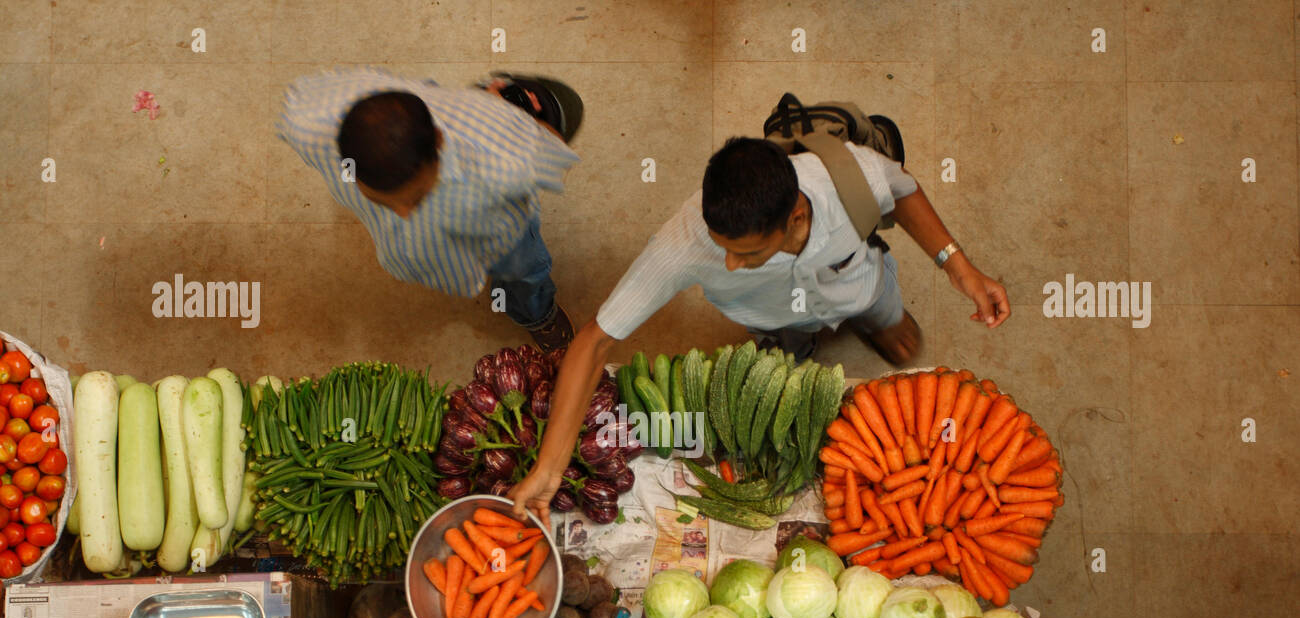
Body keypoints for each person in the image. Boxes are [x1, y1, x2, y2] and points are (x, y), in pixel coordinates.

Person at [510, 136, 1011, 522]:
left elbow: (903, 191)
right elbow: (595, 341)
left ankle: (879, 320)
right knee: (783, 355)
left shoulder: (850, 177)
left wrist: (956, 265)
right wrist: (549, 469)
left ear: (795, 218)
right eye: (720, 246)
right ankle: (796, 340)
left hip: (861, 286)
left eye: (747, 253)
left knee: (885, 315)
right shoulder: (684, 244)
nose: (726, 264)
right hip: (769, 316)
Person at [276, 68, 584, 349]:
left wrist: (511, 116)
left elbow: (552, 152)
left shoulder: (508, 166)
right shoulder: (306, 120)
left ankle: (535, 313)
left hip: (502, 226)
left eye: (417, 197)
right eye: (382, 198)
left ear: (438, 139)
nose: (404, 215)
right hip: (452, 112)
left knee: (523, 269)